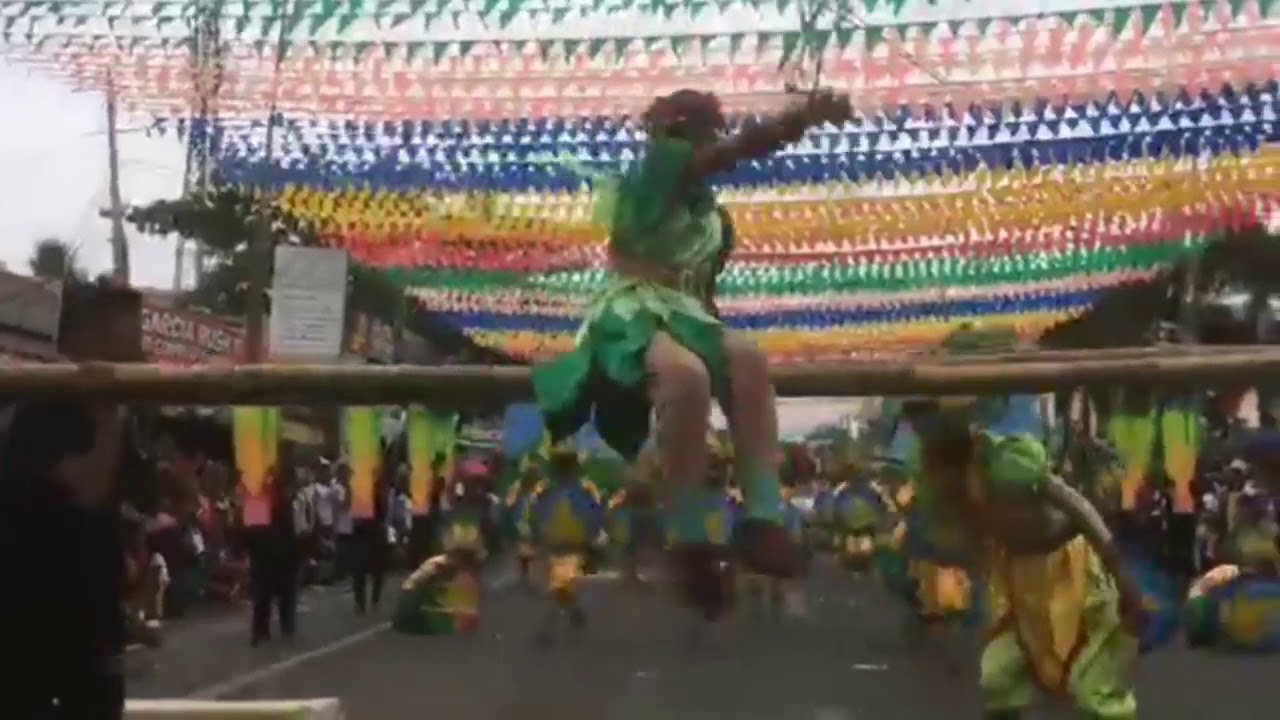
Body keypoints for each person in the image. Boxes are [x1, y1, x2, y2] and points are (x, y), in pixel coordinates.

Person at [530, 87, 852, 587]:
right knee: (685, 378)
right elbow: (729, 155)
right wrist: (795, 122)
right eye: (689, 135)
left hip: (691, 315)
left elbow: (703, 292)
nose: (696, 146)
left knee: (747, 362)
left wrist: (721, 348)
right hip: (633, 309)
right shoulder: (658, 167)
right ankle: (685, 530)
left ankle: (763, 516)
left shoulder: (716, 222)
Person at [902, 329, 1148, 720]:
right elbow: (970, 534)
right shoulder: (951, 471)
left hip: (1069, 568)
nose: (919, 425)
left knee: (1092, 685)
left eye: (924, 415)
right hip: (1016, 576)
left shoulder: (1010, 454)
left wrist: (1124, 578)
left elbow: (1078, 507)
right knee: (1000, 678)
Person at [0, 278, 144, 719]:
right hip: (30, 624)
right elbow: (86, 491)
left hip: (93, 623)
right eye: (127, 339)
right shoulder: (39, 409)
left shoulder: (121, 414)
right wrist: (113, 412)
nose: (138, 352)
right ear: (90, 340)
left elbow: (127, 508)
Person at [248, 466, 302, 646]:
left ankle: (267, 630)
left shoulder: (289, 501)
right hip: (271, 554)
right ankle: (266, 630)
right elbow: (250, 530)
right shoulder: (279, 501)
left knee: (272, 596)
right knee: (271, 596)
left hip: (277, 554)